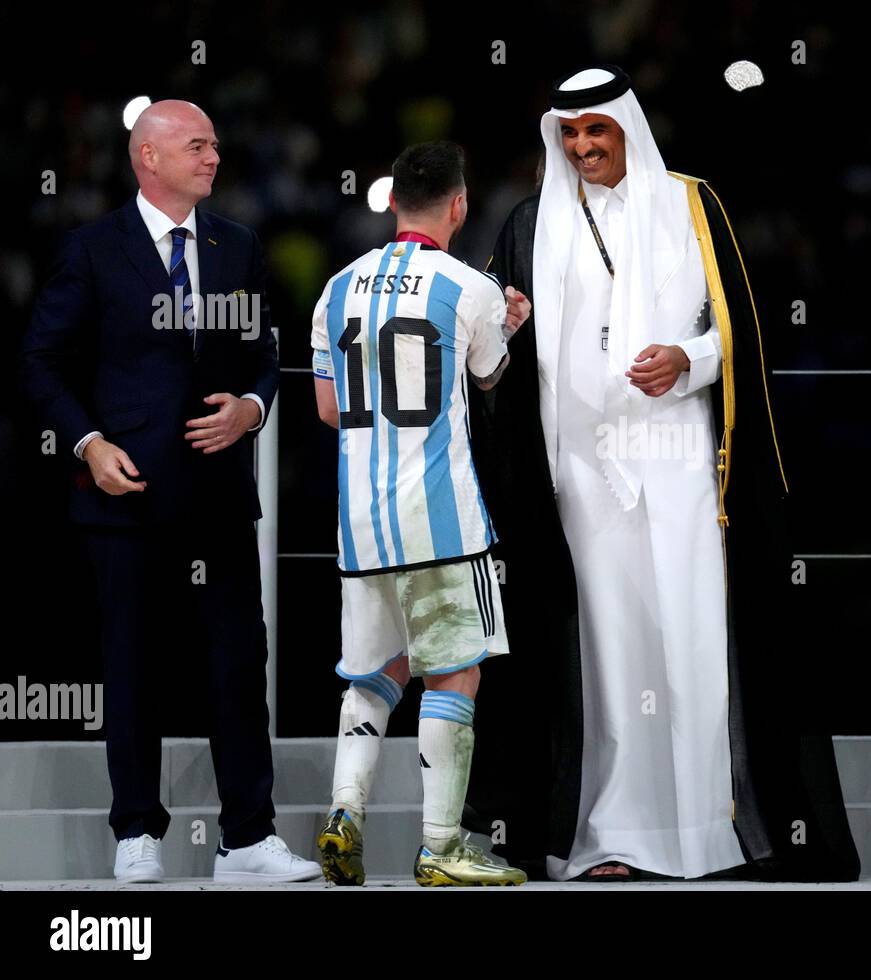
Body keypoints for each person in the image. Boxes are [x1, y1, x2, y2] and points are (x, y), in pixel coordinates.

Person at [466, 65, 860, 881]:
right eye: (569, 135)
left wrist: (688, 359)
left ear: (627, 129)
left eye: (596, 132)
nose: (582, 149)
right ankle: (610, 833)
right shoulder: (530, 223)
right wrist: (503, 330)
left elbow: (740, 333)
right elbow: (497, 363)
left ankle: (701, 832)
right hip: (577, 472)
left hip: (682, 464)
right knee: (606, 653)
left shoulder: (691, 204)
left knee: (690, 641)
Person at [23, 99, 319, 883]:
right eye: (197, 145)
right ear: (148, 158)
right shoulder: (92, 250)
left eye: (216, 145)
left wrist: (253, 408)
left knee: (236, 664)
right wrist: (88, 445)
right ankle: (136, 831)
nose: (213, 157)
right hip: (125, 497)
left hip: (218, 498)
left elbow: (263, 354)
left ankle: (248, 838)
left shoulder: (239, 246)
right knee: (132, 666)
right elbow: (39, 362)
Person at [310, 141, 530, 886]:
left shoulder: (336, 288)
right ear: (460, 205)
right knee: (454, 676)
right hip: (440, 520)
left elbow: (330, 409)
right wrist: (509, 320)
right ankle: (441, 846)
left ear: (394, 200)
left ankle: (345, 812)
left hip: (361, 522)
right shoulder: (469, 287)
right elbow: (491, 374)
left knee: (375, 674)